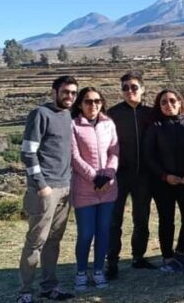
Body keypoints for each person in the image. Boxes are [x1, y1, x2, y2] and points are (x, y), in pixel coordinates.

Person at [17, 75, 78, 303]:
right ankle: (25, 292)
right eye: (65, 92)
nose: (69, 96)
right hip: (46, 190)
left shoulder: (68, 115)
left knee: (54, 240)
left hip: (65, 187)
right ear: (54, 92)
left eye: (73, 93)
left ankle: (49, 287)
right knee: (36, 242)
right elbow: (28, 152)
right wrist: (41, 185)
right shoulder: (40, 114)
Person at [143, 89, 184, 272]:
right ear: (159, 106)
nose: (169, 105)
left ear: (180, 102)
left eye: (172, 101)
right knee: (166, 219)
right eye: (164, 102)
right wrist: (164, 176)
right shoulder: (155, 126)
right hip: (163, 182)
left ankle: (181, 252)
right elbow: (148, 156)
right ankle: (167, 257)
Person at [106, 71, 155, 278]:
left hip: (144, 175)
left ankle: (138, 257)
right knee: (114, 221)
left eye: (134, 87)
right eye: (125, 88)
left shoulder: (151, 113)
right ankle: (112, 262)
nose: (129, 91)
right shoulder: (112, 113)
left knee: (141, 219)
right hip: (119, 175)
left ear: (142, 89)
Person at [69, 87, 119, 291]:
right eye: (88, 101)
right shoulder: (73, 125)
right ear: (80, 104)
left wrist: (108, 175)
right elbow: (74, 157)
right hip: (84, 190)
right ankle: (81, 272)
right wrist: (95, 177)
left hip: (108, 188)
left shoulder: (109, 124)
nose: (93, 105)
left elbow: (114, 151)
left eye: (97, 101)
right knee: (86, 234)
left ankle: (98, 270)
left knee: (103, 232)